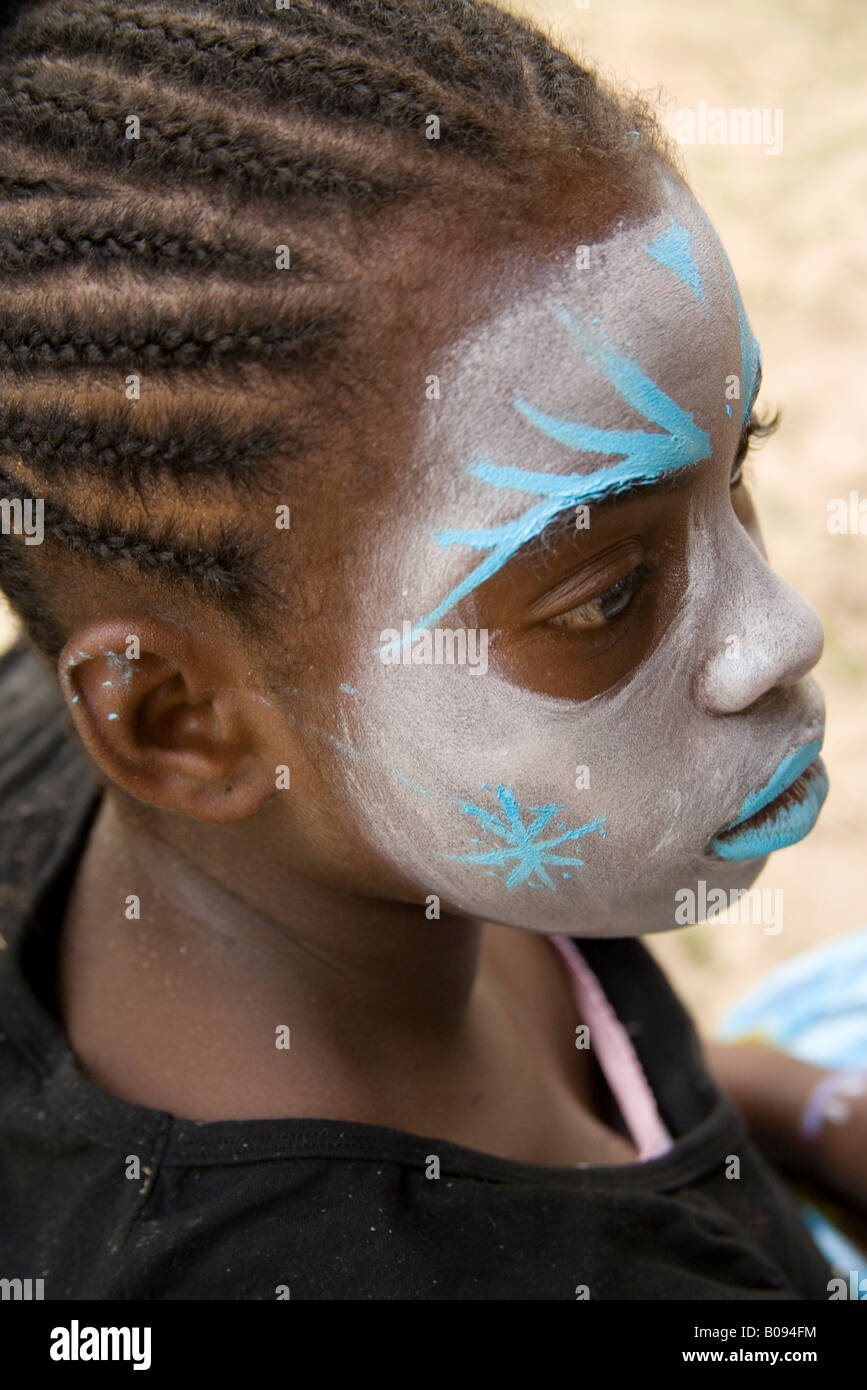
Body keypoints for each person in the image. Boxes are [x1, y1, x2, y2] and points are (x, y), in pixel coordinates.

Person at [0, 0, 858, 1299]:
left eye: (736, 468)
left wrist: (791, 1104)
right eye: (602, 594)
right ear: (178, 719)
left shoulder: (241, 803)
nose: (781, 634)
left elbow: (621, 1056)